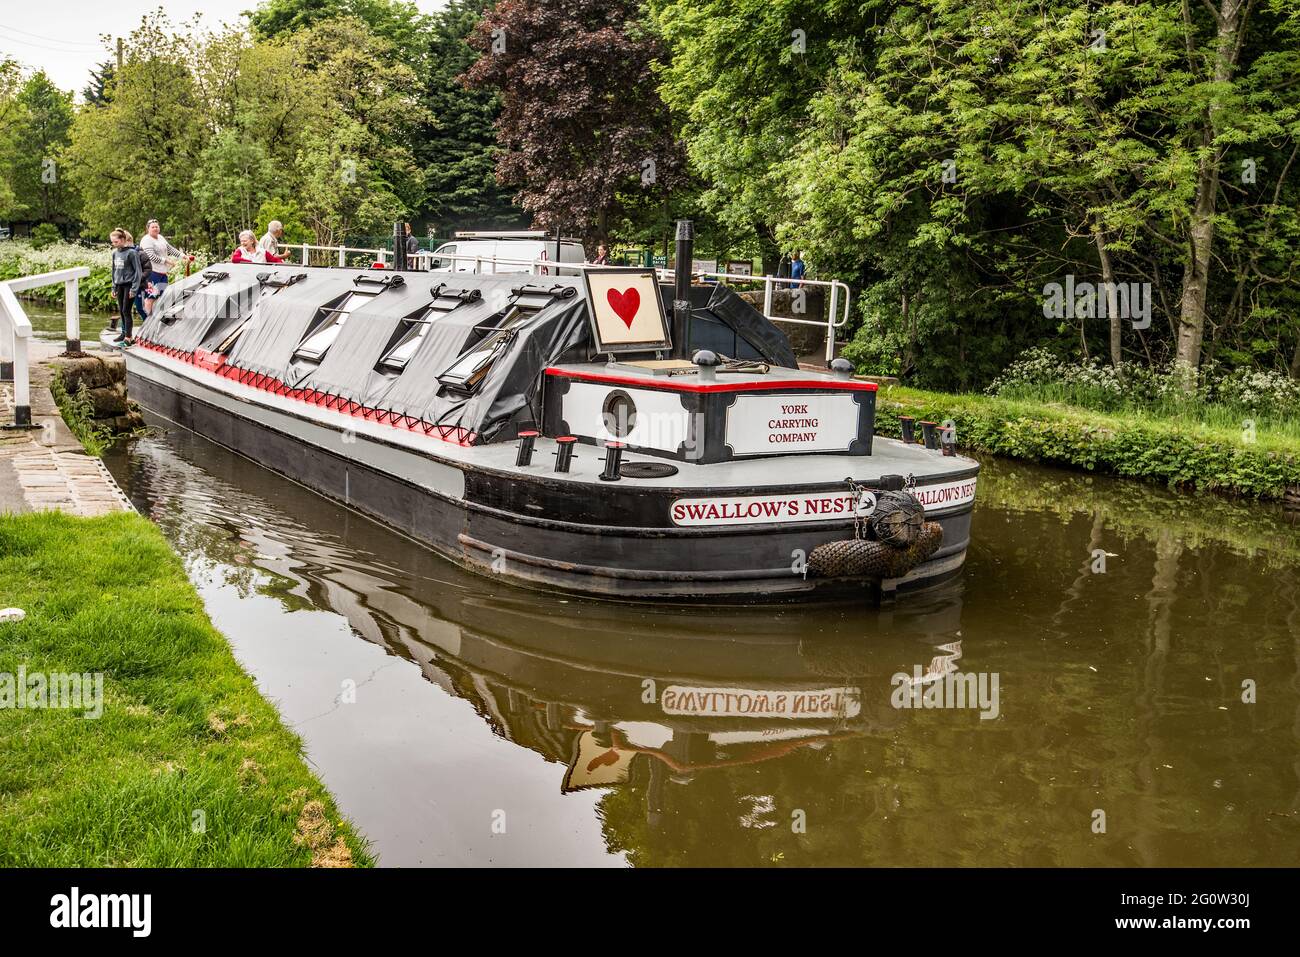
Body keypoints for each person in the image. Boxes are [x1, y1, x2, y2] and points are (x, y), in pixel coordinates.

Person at [138, 219, 184, 315]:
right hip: (152, 273)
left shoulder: (161, 237)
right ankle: (148, 321)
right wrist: (166, 261)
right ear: (148, 229)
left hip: (162, 273)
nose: (155, 228)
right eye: (153, 227)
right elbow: (151, 256)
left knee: (162, 296)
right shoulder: (146, 240)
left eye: (157, 226)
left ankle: (156, 319)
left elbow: (170, 249)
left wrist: (183, 256)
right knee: (151, 297)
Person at [108, 228, 142, 344]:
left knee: (126, 310)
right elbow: (114, 271)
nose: (114, 244)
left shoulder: (132, 253)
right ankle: (124, 334)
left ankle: (128, 337)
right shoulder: (115, 253)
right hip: (119, 285)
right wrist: (114, 287)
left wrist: (134, 289)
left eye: (116, 242)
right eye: (112, 242)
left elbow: (138, 272)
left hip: (129, 285)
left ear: (122, 240)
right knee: (121, 311)